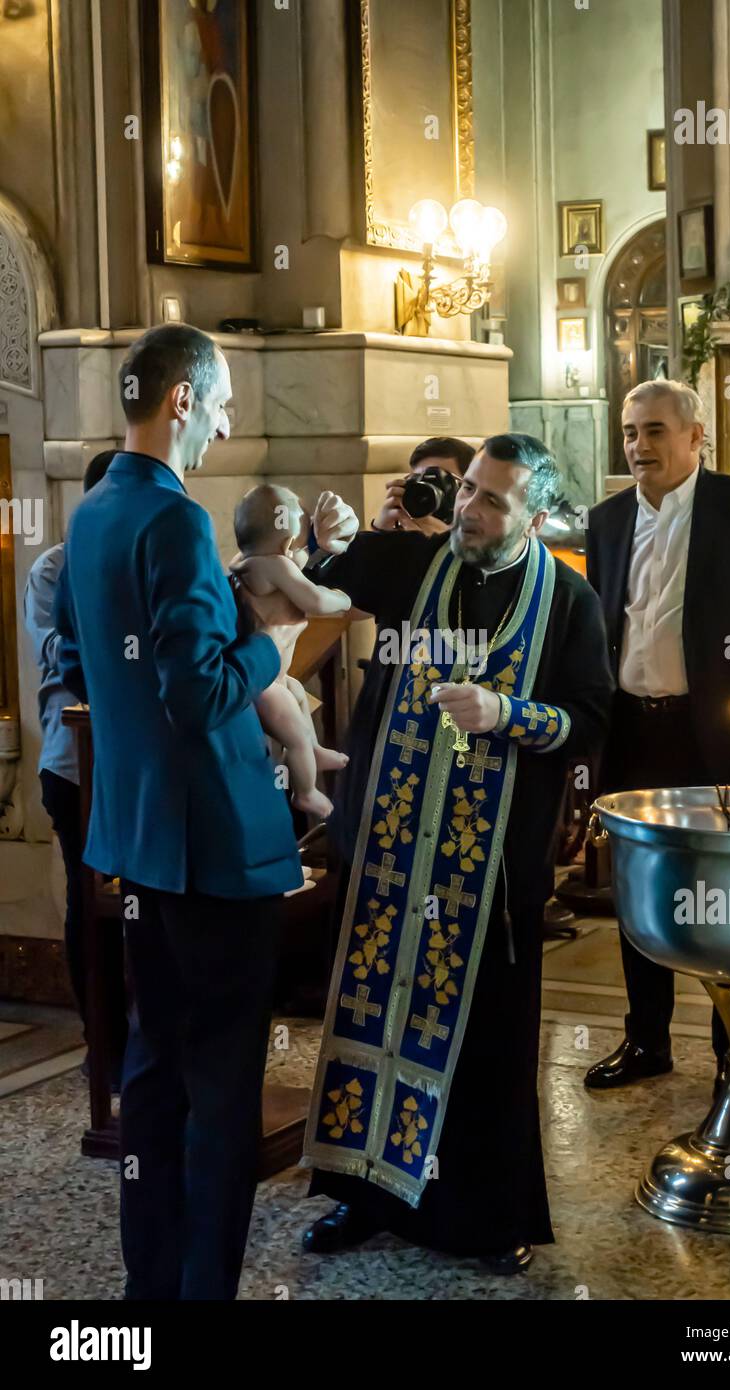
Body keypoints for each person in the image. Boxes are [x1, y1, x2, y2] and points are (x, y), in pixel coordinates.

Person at [52, 322, 358, 1300]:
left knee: (154, 1073)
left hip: (138, 839)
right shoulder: (176, 519)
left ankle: (151, 1284)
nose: (223, 429)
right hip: (211, 843)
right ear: (181, 400)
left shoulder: (97, 507)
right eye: (221, 406)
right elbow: (198, 691)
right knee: (222, 1094)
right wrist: (277, 633)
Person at [300, 433, 613, 1271]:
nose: (470, 510)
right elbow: (320, 582)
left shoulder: (569, 602)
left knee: (485, 1047)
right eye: (467, 489)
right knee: (371, 1017)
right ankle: (360, 1196)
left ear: (535, 515)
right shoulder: (416, 566)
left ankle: (484, 1215)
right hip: (389, 853)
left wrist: (508, 714)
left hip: (491, 871)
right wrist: (324, 537)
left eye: (493, 501)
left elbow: (589, 719)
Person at [585, 380, 730, 1092]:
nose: (638, 446)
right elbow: (605, 617)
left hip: (718, 731)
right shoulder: (609, 517)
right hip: (635, 728)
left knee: (726, 894)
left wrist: (728, 677)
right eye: (629, 433)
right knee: (639, 887)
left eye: (654, 431)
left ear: (695, 437)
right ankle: (645, 1039)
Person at [23, 450, 127, 1090]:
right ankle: (104, 1042)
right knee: (89, 901)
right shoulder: (54, 569)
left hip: (142, 764)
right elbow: (58, 655)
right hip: (77, 762)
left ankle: (150, 1037)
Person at [229, 483, 351, 819]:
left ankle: (312, 750)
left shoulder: (245, 562)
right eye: (301, 546)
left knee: (298, 695)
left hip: (273, 678)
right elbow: (315, 599)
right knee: (293, 736)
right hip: (266, 688)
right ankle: (307, 792)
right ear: (286, 545)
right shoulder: (276, 565)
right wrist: (342, 598)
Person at [371, 435, 476, 536]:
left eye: (442, 481)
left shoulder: (486, 538)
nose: (426, 493)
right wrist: (380, 533)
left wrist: (445, 545)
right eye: (419, 479)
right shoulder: (404, 529)